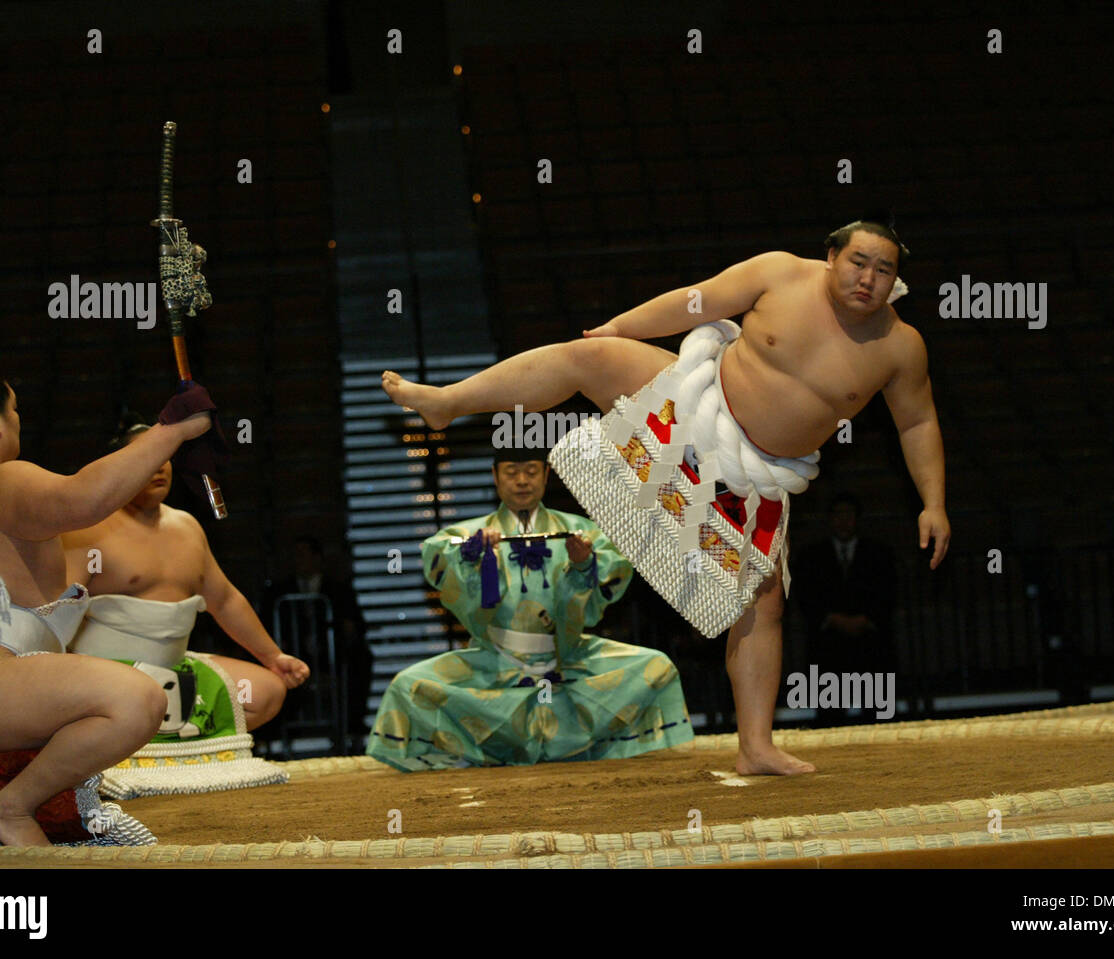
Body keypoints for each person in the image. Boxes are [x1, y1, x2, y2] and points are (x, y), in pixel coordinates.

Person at [381, 219, 950, 775]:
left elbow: (917, 423)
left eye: (884, 270)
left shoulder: (899, 347)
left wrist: (933, 502)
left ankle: (755, 746)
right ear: (831, 256)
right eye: (858, 262)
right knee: (590, 357)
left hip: (757, 477)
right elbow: (695, 303)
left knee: (762, 602)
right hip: (689, 404)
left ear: (895, 280)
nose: (868, 279)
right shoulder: (779, 273)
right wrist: (620, 326)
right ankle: (448, 401)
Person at [0, 355, 212, 845]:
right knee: (138, 699)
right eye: (15, 410)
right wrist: (171, 431)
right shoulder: (1, 479)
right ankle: (11, 808)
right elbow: (85, 499)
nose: (18, 420)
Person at [366, 448, 693, 771]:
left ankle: (580, 748)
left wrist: (583, 565)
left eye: (532, 472)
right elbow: (444, 568)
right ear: (495, 477)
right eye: (511, 472)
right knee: (408, 686)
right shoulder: (465, 536)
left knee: (655, 667)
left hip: (567, 657)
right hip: (494, 659)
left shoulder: (583, 532)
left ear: (546, 475)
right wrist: (470, 558)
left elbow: (592, 598)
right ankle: (478, 753)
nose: (522, 480)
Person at [62, 421, 310, 737]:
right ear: (120, 466)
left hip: (174, 669)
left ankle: (172, 749)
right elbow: (59, 605)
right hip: (105, 673)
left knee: (264, 692)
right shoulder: (88, 529)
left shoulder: (187, 527)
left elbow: (224, 600)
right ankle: (115, 747)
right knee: (134, 695)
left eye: (163, 456)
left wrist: (273, 656)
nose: (158, 467)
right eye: (145, 457)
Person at [792, 492, 898, 718]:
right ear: (829, 519)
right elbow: (805, 595)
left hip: (870, 638)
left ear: (857, 518)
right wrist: (832, 619)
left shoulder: (879, 553)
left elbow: (888, 592)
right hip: (827, 641)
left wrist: (866, 620)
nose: (843, 521)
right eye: (838, 515)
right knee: (830, 712)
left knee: (877, 710)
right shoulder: (811, 556)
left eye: (848, 515)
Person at [263, 535, 373, 742]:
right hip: (289, 655)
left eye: (305, 554)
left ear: (318, 558)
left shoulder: (340, 590)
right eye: (296, 555)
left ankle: (352, 723)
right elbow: (265, 627)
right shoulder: (277, 592)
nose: (300, 560)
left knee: (361, 658)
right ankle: (273, 730)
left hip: (332, 655)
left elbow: (354, 626)